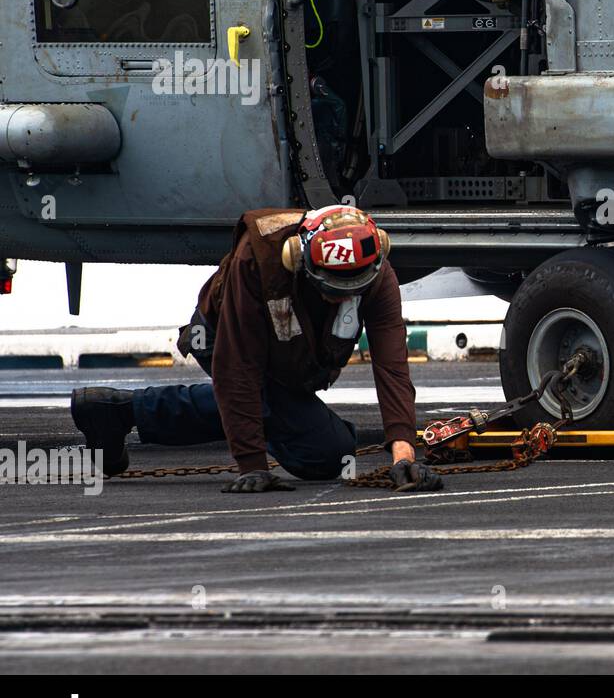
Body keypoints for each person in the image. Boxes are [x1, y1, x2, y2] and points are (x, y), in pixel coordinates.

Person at [70, 205, 443, 494]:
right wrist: (252, 466)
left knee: (314, 441)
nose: (339, 298)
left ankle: (116, 411)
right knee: (327, 452)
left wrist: (403, 453)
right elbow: (237, 366)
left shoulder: (374, 271)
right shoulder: (258, 259)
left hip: (288, 356)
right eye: (331, 287)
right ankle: (122, 410)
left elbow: (392, 365)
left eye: (351, 290)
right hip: (221, 336)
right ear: (299, 258)